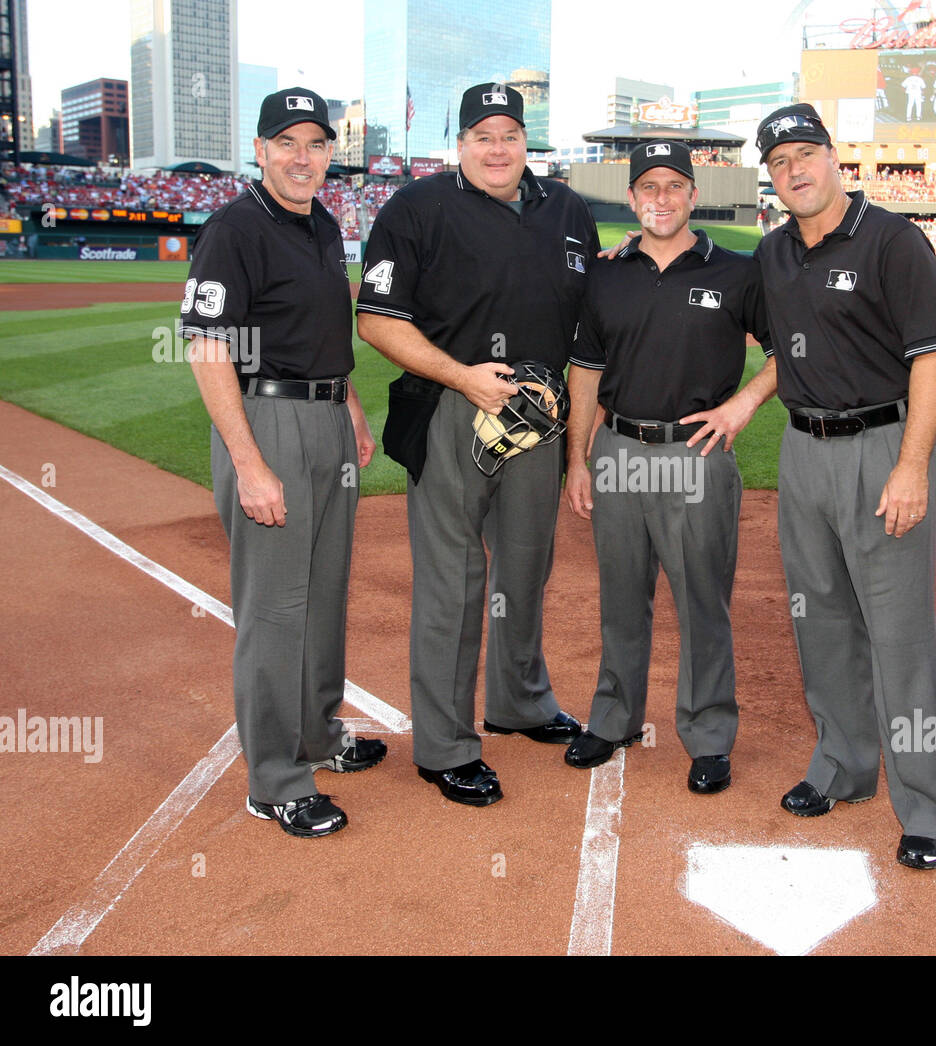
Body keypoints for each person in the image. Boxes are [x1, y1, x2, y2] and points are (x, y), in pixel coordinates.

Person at [356, 83, 598, 807]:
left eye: (510, 135)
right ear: (459, 144)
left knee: (526, 566)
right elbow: (376, 318)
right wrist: (463, 377)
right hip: (451, 410)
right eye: (482, 136)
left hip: (539, 417)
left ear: (527, 142)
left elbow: (592, 312)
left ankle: (520, 702)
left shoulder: (567, 210)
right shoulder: (416, 209)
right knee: (453, 582)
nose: (498, 149)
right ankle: (444, 746)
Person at [753, 102, 936, 870]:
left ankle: (927, 806)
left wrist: (911, 465)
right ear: (769, 178)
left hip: (881, 449)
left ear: (834, 157)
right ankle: (843, 767)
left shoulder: (892, 241)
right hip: (802, 451)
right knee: (823, 624)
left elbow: (933, 355)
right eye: (779, 162)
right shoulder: (773, 255)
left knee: (900, 637)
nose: (795, 170)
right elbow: (771, 347)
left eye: (805, 153)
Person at [184, 87, 384, 839]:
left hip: (328, 417)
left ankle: (318, 736)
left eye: (316, 144)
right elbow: (207, 348)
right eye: (287, 143)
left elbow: (322, 330)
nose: (303, 157)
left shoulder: (323, 223)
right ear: (261, 150)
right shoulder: (237, 227)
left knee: (324, 594)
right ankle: (273, 778)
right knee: (274, 608)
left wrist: (353, 409)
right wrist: (249, 463)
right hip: (266, 422)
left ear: (329, 153)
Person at [562, 141, 775, 794]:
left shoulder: (738, 272)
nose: (660, 198)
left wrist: (742, 405)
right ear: (630, 199)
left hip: (695, 453)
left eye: (673, 186)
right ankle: (615, 716)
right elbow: (588, 372)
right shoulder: (604, 274)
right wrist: (578, 459)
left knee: (701, 603)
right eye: (647, 187)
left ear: (693, 195)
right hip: (621, 450)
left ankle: (708, 735)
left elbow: (791, 351)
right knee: (622, 598)